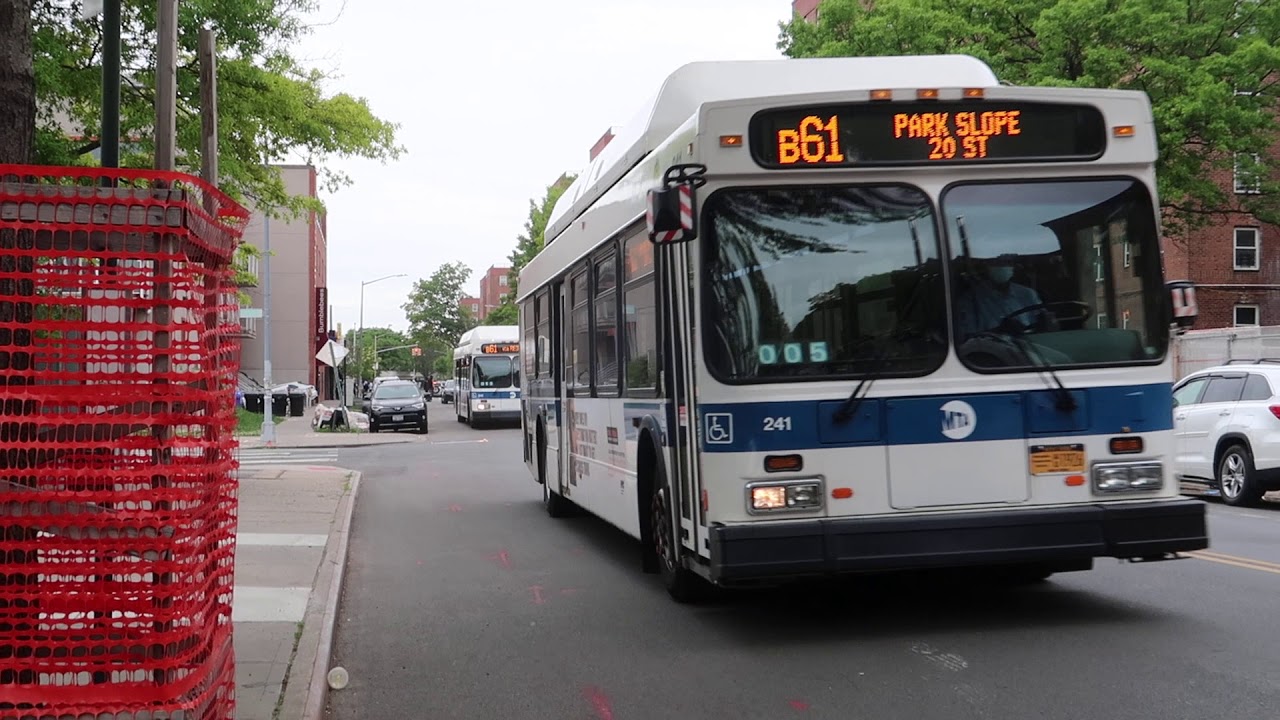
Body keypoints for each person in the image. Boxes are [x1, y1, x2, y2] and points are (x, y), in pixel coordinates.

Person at [954, 258, 1054, 341]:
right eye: (997, 262)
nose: (1002, 266)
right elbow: (965, 338)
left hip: (1032, 350)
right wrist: (999, 331)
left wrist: (1047, 322)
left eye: (1007, 262)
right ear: (985, 266)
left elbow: (1043, 323)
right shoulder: (970, 300)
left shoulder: (1027, 294)